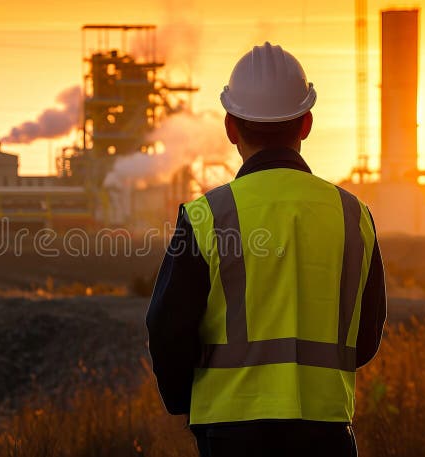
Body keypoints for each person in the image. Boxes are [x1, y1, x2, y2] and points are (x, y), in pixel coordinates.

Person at [145, 42, 386, 457]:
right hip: (326, 430)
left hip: (230, 432)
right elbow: (365, 338)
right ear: (306, 123)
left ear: (230, 127)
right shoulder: (353, 216)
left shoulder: (206, 216)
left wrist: (188, 401)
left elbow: (167, 328)